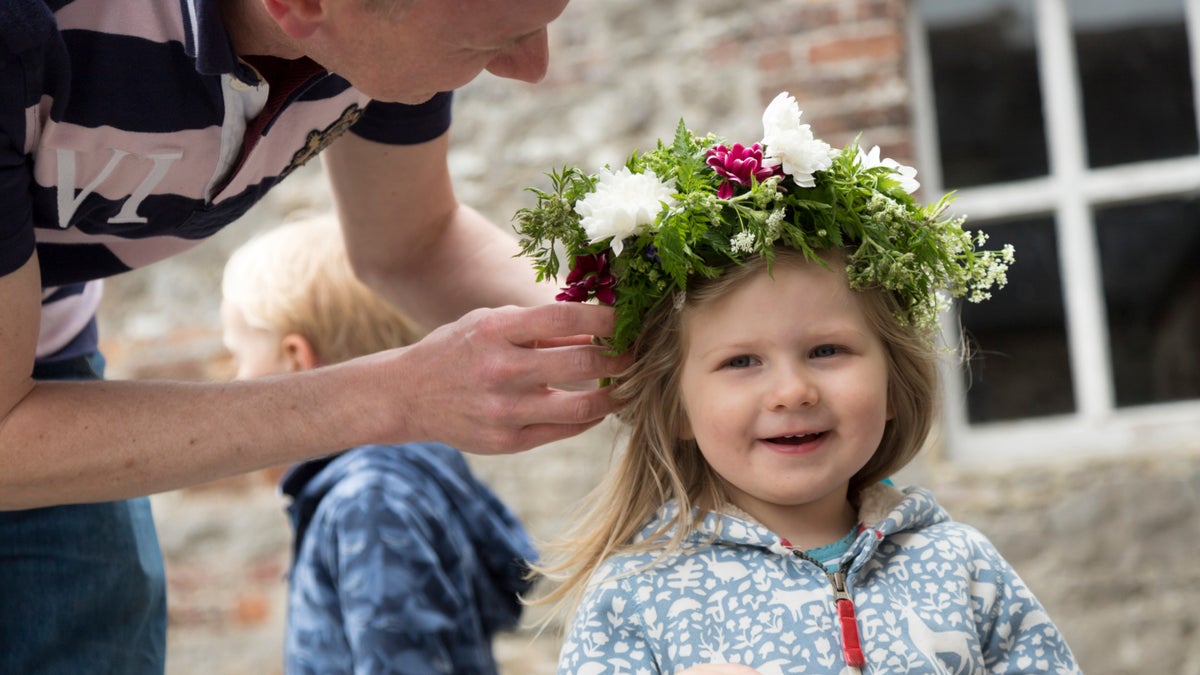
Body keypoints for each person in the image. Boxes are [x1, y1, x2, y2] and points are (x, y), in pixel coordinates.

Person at [0, 0, 627, 672]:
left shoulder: (376, 41)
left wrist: (647, 343)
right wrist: (398, 395)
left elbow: (413, 242)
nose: (532, 67)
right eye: (497, 38)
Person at [515, 93, 1079, 673]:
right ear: (675, 407)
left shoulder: (960, 567)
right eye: (741, 362)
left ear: (894, 381)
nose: (793, 391)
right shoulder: (634, 597)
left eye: (826, 350)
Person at [221, 215, 537, 674]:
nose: (235, 380)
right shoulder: (392, 483)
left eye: (238, 356)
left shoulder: (369, 499)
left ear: (297, 361)